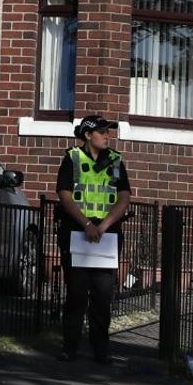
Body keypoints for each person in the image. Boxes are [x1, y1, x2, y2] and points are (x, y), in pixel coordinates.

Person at [57, 114, 132, 364]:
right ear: (88, 135)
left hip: (106, 235)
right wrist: (87, 224)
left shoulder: (115, 161)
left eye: (108, 132)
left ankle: (101, 349)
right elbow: (65, 196)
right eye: (102, 132)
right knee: (77, 294)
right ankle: (70, 347)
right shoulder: (72, 159)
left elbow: (123, 198)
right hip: (78, 232)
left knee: (102, 295)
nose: (107, 135)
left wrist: (104, 225)